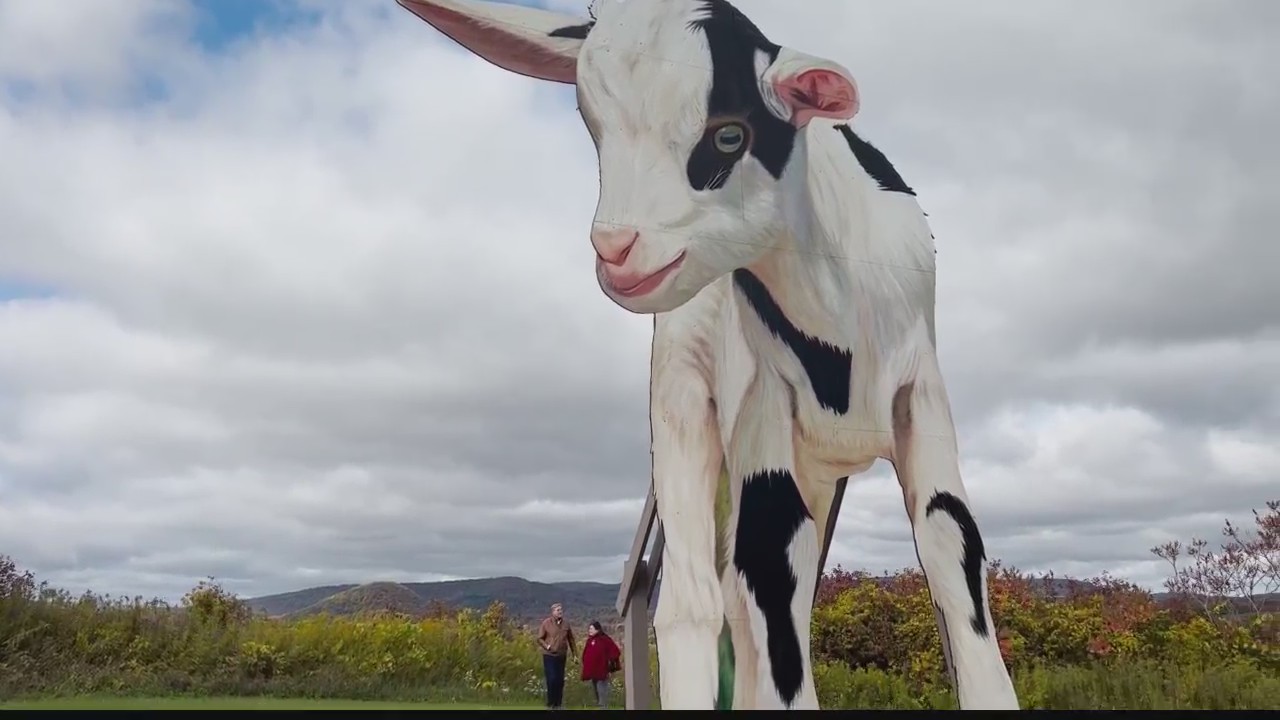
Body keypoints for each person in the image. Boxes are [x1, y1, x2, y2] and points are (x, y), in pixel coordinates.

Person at [536, 602, 576, 710]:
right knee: (552, 679)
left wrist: (574, 654)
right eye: (558, 610)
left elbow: (571, 640)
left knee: (560, 680)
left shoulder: (566, 624)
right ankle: (551, 703)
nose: (560, 612)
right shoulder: (546, 623)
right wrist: (547, 646)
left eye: (561, 610)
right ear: (553, 612)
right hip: (549, 655)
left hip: (561, 655)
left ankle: (558, 704)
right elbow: (539, 638)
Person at [580, 620, 622, 709]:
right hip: (593, 673)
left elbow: (615, 651)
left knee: (602, 692)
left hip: (602, 672)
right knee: (597, 693)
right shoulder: (590, 641)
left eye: (591, 629)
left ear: (597, 629)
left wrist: (610, 663)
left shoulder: (605, 640)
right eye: (589, 629)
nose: (589, 631)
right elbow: (585, 655)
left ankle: (604, 708)